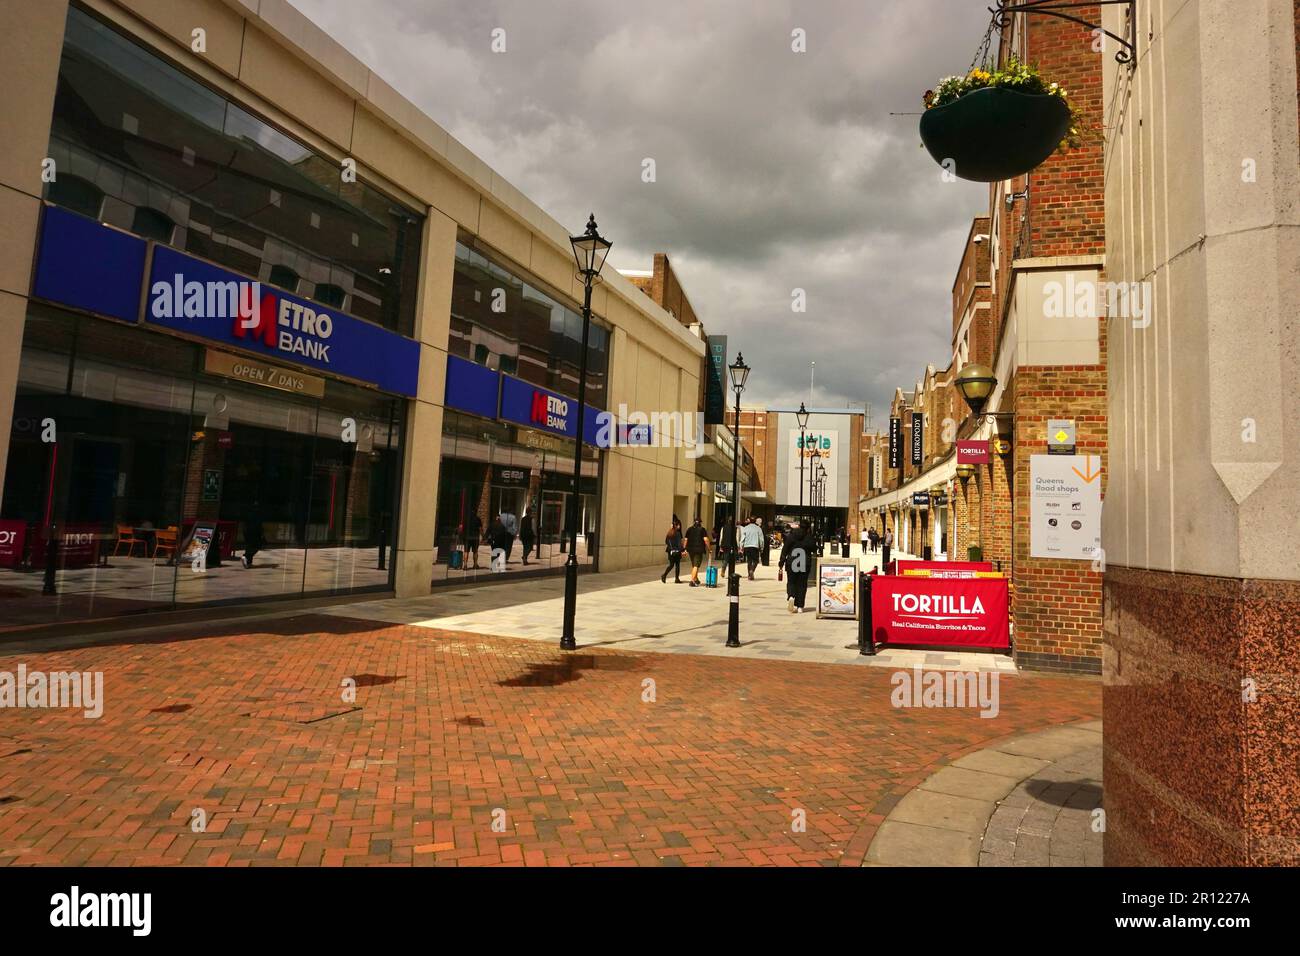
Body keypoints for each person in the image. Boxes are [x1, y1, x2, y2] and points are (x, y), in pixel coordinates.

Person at [779, 523, 811, 613]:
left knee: (791, 582)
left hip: (792, 562)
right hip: (804, 563)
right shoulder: (808, 537)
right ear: (808, 529)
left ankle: (791, 596)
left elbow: (784, 550)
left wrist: (781, 561)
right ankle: (800, 606)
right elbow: (813, 547)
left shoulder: (791, 536)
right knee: (802, 584)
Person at [683, 517, 711, 587]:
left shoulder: (689, 529)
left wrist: (684, 549)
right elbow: (706, 539)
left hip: (690, 549)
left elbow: (686, 540)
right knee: (696, 565)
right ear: (700, 523)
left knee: (694, 565)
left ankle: (696, 579)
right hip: (699, 549)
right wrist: (709, 548)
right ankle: (692, 581)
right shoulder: (702, 529)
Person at [241, 496, 265, 569]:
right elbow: (259, 524)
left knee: (249, 546)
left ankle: (248, 562)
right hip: (255, 531)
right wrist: (262, 533)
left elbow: (245, 522)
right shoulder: (258, 513)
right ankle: (246, 556)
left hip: (247, 531)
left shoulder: (247, 512)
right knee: (256, 546)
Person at [739, 517, 763, 581]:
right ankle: (752, 570)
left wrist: (741, 546)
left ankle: (749, 575)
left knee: (749, 561)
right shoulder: (758, 528)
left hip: (747, 546)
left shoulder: (745, 528)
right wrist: (761, 547)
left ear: (749, 521)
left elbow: (742, 538)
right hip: (755, 546)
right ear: (755, 521)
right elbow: (761, 540)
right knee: (756, 561)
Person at [661, 519, 684, 583]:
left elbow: (666, 541)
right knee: (677, 565)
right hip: (677, 551)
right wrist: (683, 550)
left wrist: (671, 548)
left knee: (671, 565)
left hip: (670, 551)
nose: (679, 526)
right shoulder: (678, 533)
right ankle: (677, 579)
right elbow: (679, 543)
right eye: (678, 525)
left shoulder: (669, 532)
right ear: (676, 526)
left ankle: (664, 575)